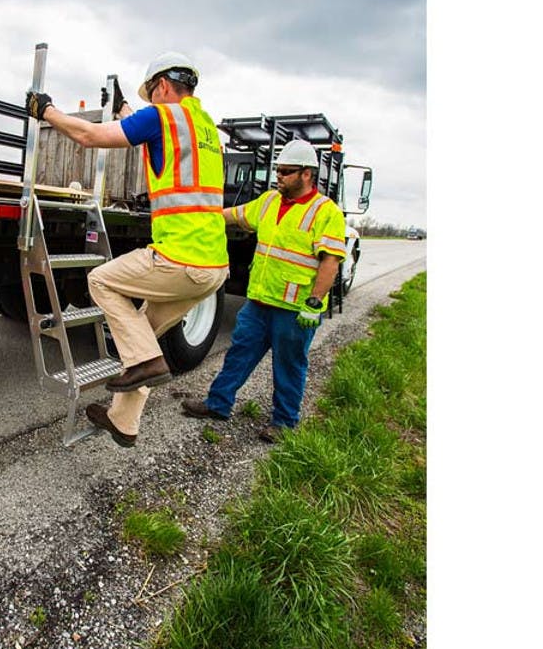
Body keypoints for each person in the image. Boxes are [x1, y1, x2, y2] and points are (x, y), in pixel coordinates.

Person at [25, 52, 229, 448]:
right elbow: (141, 123)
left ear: (164, 86)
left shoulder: (161, 117)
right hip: (213, 267)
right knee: (141, 334)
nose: (151, 102)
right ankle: (124, 422)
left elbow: (90, 137)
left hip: (179, 258)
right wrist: (123, 108)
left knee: (100, 280)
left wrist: (46, 110)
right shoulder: (203, 127)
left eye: (152, 94)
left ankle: (145, 363)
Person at [181, 138, 347, 441]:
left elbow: (330, 262)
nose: (279, 176)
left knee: (289, 367)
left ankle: (284, 423)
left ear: (306, 174)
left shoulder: (326, 212)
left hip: (295, 309)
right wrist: (201, 213)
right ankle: (218, 404)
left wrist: (314, 302)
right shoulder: (270, 201)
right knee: (239, 354)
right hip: (259, 302)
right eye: (278, 171)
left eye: (286, 171)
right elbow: (234, 215)